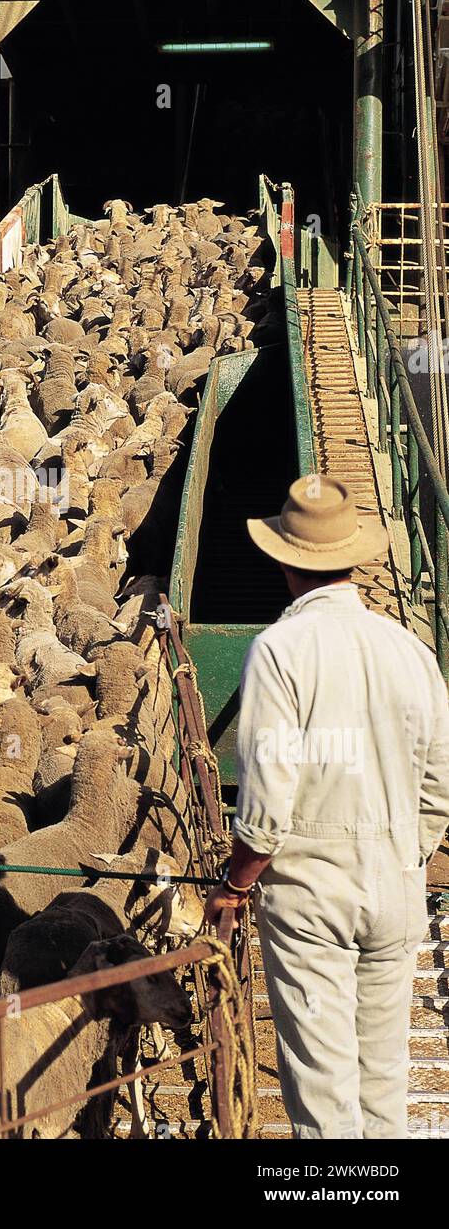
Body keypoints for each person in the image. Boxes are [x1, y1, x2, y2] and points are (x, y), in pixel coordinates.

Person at [204, 474, 449, 1138]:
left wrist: (234, 885)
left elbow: (267, 803)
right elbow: (439, 788)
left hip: (311, 894)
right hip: (396, 885)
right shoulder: (412, 650)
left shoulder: (280, 652)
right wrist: (405, 854)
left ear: (286, 562)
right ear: (353, 556)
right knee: (384, 1087)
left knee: (323, 1094)